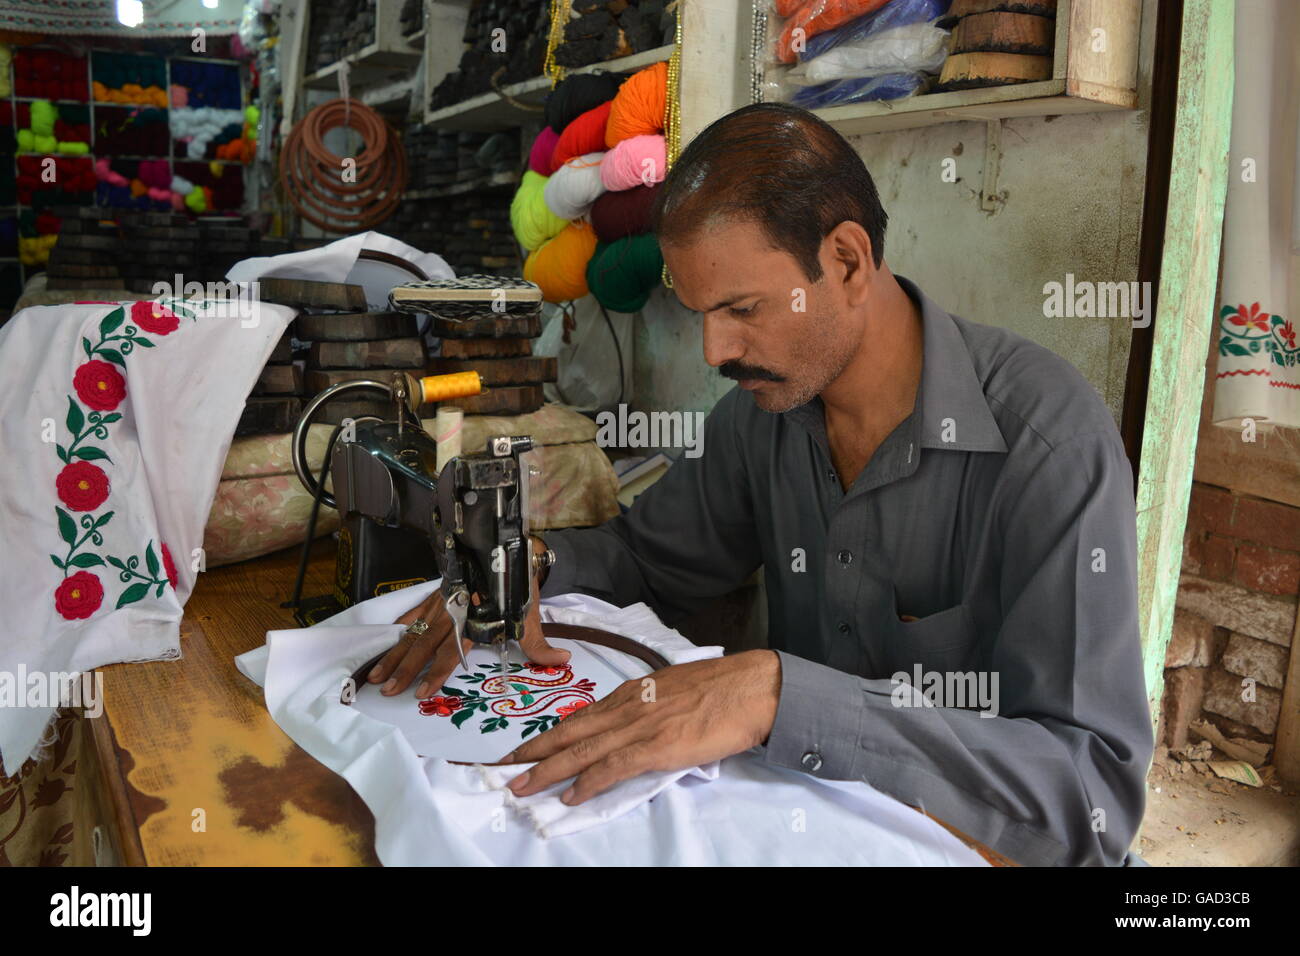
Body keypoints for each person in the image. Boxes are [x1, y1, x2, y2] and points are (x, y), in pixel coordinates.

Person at [368, 102, 1153, 866]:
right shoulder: (765, 416)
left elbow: (1091, 796)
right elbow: (650, 559)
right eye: (700, 311)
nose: (714, 350)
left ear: (845, 261)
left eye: (742, 308)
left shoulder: (1046, 445)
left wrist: (785, 696)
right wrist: (528, 570)